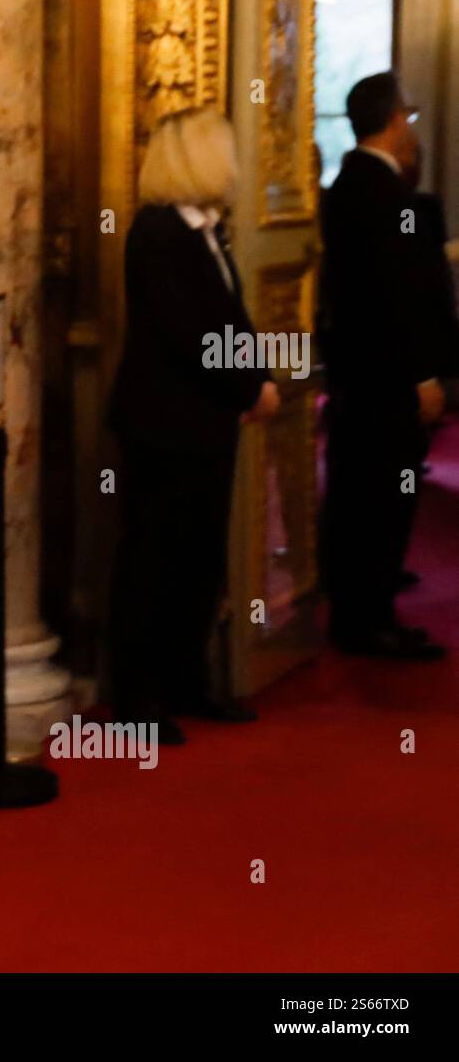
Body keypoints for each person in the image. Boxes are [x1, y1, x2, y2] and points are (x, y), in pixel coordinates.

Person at [107, 107, 279, 745]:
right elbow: (192, 334)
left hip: (207, 422)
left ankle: (187, 681)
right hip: (163, 424)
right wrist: (251, 384)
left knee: (200, 559)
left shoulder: (210, 230)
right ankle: (138, 701)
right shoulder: (156, 233)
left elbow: (232, 320)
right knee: (154, 558)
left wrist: (256, 376)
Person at [320, 73, 448, 660]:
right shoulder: (383, 193)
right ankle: (370, 619)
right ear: (395, 120)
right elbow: (397, 295)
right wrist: (422, 375)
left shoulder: (350, 183)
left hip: (359, 376)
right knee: (381, 498)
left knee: (359, 493)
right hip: (386, 378)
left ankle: (359, 610)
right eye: (408, 117)